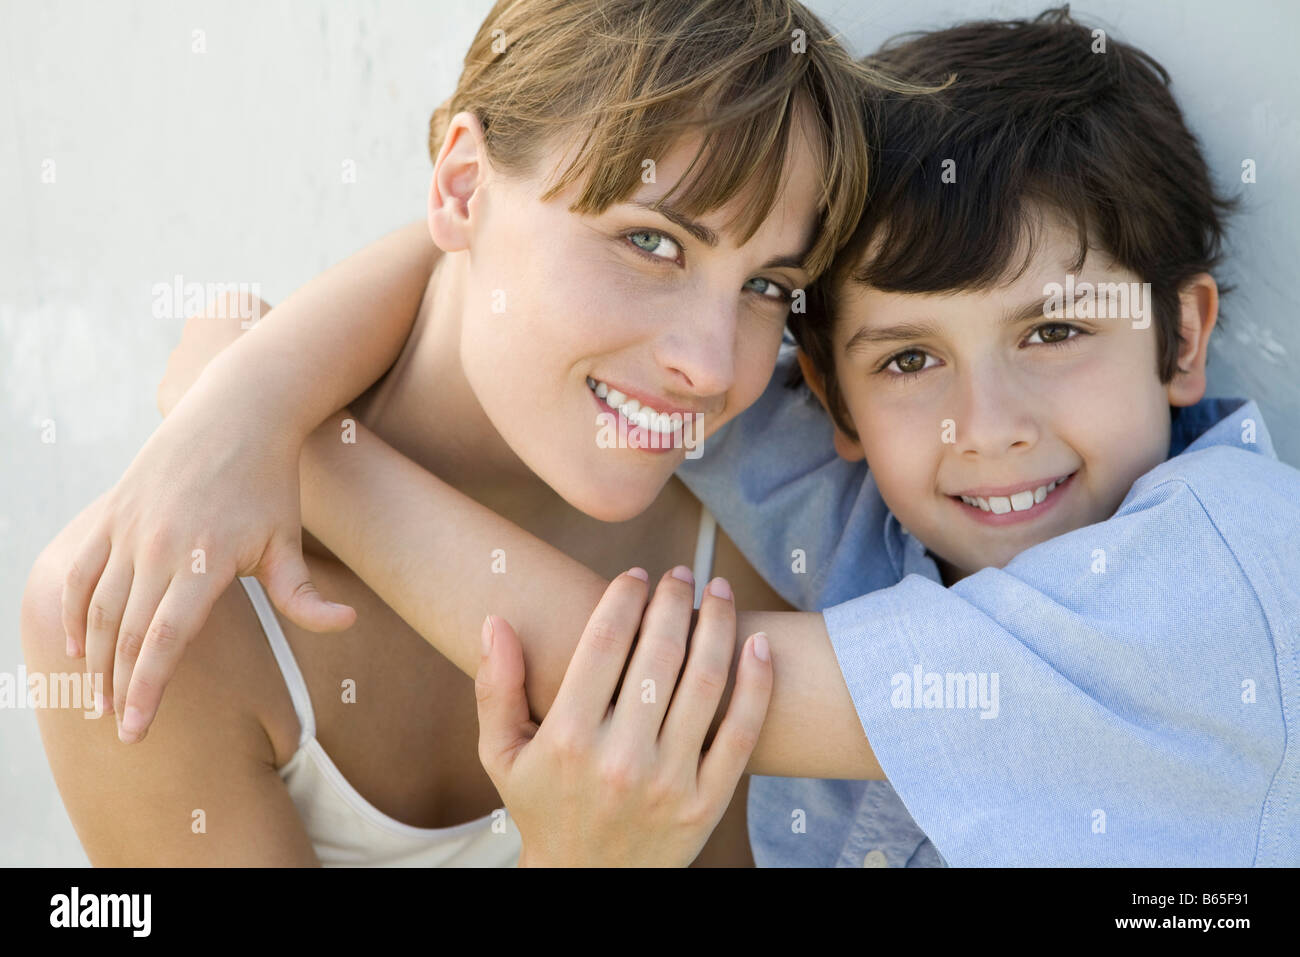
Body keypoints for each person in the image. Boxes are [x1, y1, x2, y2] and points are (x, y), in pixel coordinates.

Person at [21, 0, 892, 866]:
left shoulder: (755, 536)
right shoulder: (139, 610)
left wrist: (254, 393)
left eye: (767, 287)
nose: (710, 365)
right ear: (461, 186)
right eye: (650, 242)